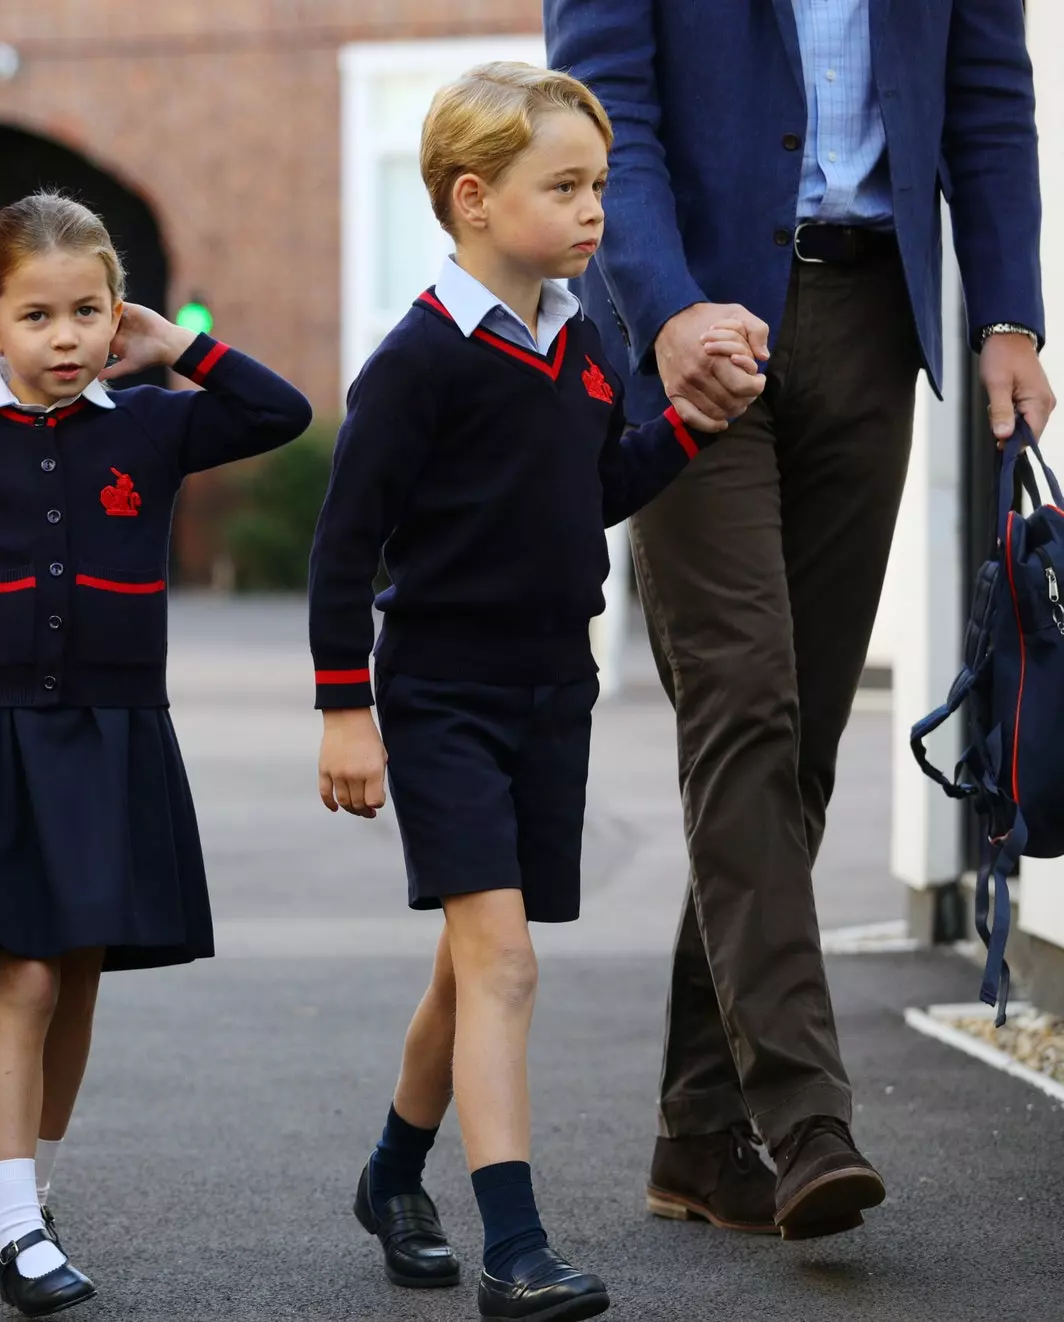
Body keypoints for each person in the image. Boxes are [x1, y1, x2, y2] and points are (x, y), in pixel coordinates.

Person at [545, 0, 1055, 1240]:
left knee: (799, 740)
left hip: (873, 322)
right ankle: (806, 1113)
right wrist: (662, 310)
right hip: (689, 332)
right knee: (744, 705)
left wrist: (1006, 314)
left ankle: (696, 1131)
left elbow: (988, 97)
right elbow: (610, 116)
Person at [309, 65, 761, 1322]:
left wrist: (687, 423)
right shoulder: (415, 361)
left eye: (598, 185)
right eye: (563, 187)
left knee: (473, 964)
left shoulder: (585, 341)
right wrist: (346, 706)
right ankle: (515, 1245)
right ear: (471, 200)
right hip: (441, 691)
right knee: (503, 961)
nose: (593, 210)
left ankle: (393, 1172)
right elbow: (345, 546)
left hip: (552, 688)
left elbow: (592, 490)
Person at [0, 193, 313, 1317]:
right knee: (23, 971)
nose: (67, 337)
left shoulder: (149, 421)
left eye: (88, 311)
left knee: (76, 971)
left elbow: (279, 409)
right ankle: (10, 1224)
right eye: (35, 316)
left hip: (120, 729)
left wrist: (178, 345)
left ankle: (34, 1192)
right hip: (1, 737)